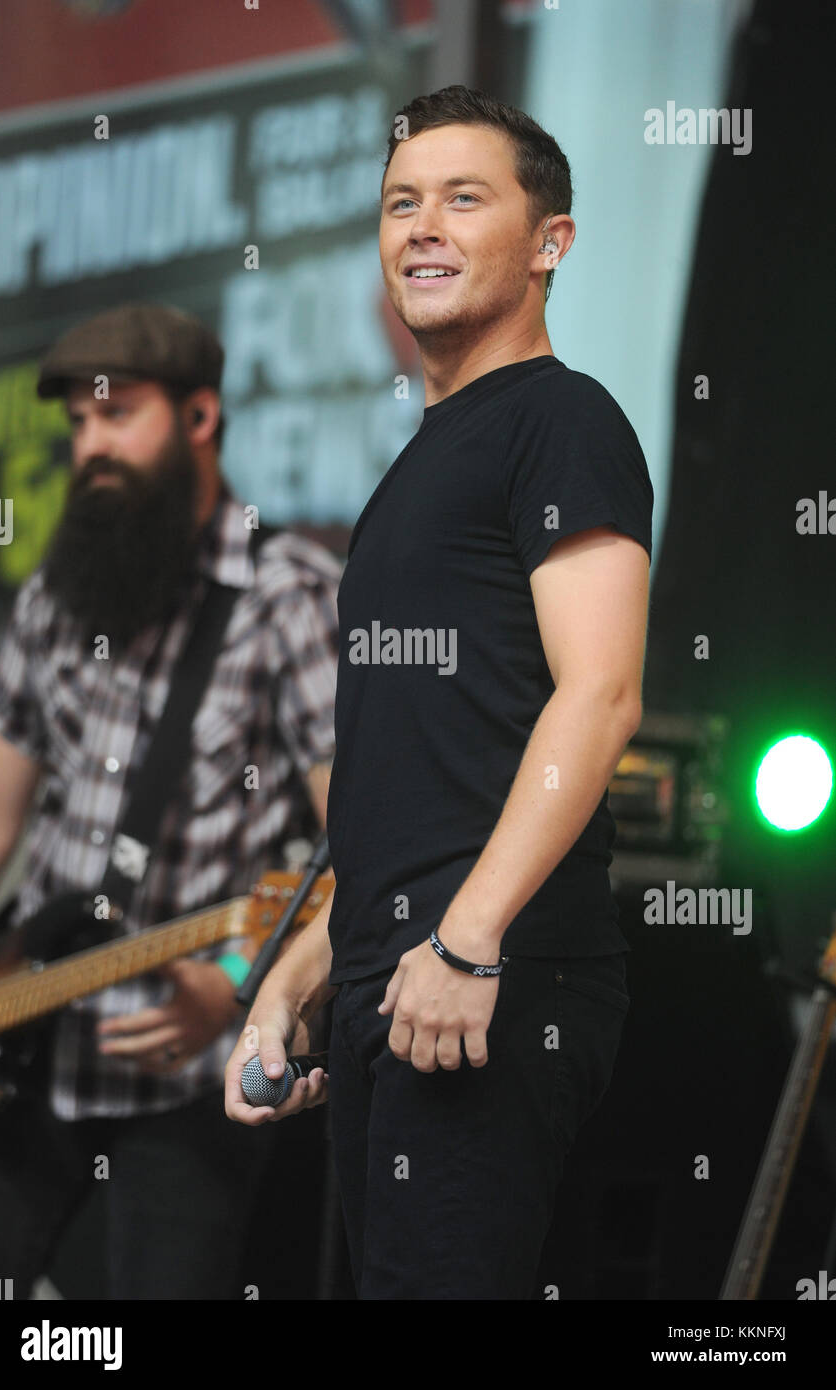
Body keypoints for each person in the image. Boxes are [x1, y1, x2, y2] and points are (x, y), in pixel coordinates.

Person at [226, 85, 653, 1301]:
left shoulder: (562, 423)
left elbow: (602, 695)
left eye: (464, 199)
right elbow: (405, 791)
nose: (421, 225)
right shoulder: (417, 469)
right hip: (389, 979)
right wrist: (301, 978)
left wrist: (467, 941)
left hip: (485, 975)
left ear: (548, 243)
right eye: (400, 202)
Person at [0, 302, 341, 1298]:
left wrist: (232, 975)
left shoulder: (290, 595)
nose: (89, 445)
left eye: (116, 415)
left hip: (190, 1073)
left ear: (200, 418)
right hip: (22, 1041)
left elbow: (355, 845)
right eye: (77, 426)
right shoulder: (59, 591)